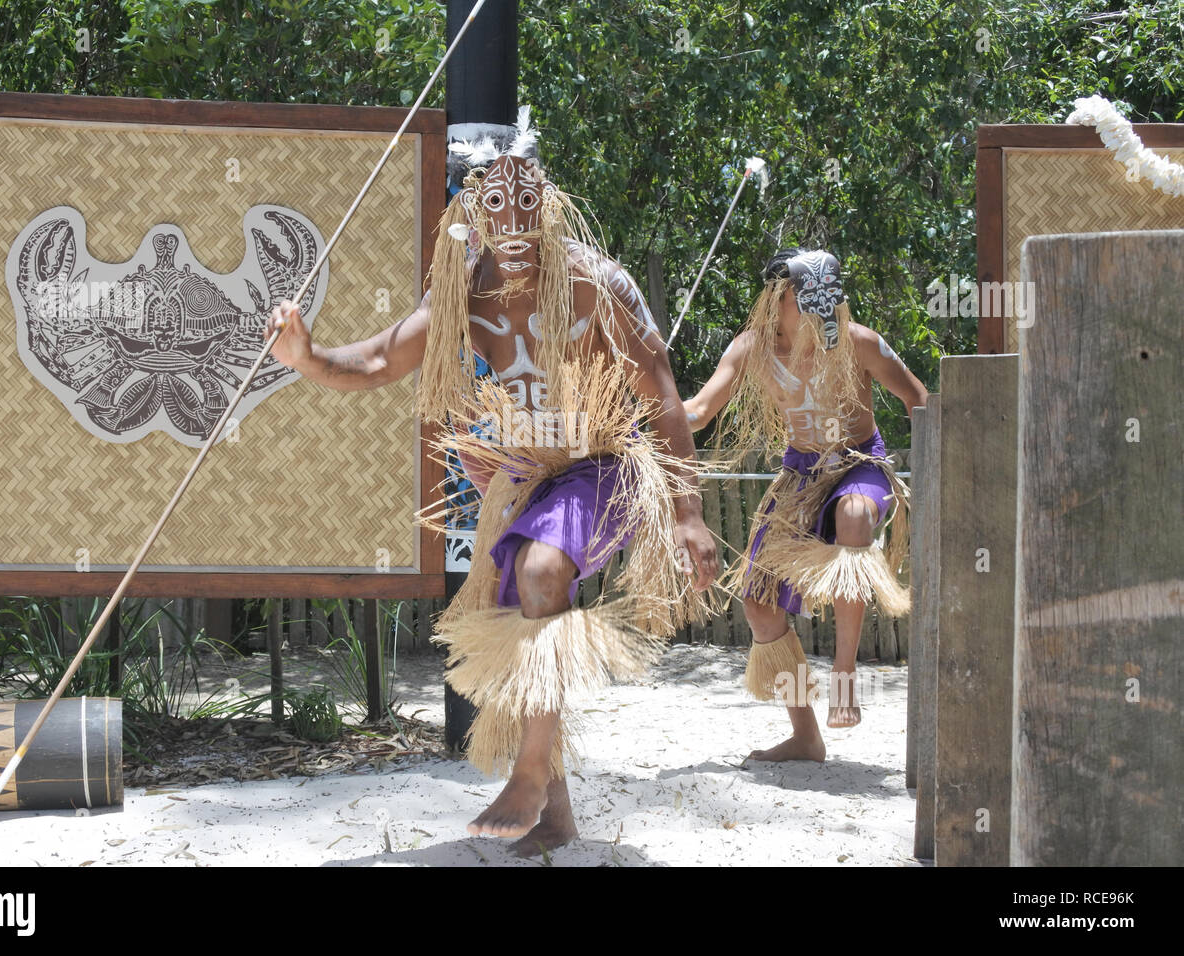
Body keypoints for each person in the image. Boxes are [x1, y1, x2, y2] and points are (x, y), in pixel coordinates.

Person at [266, 108, 717, 854]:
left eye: (526, 199)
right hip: (526, 480)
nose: (512, 217)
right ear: (469, 210)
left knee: (543, 573)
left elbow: (661, 393)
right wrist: (308, 357)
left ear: (548, 198)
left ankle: (532, 774)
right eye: (494, 202)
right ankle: (559, 817)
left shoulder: (595, 284)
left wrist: (688, 511)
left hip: (605, 466)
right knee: (526, 627)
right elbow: (378, 361)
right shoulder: (459, 293)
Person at [684, 248, 927, 762]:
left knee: (854, 517)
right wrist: (646, 407)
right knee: (758, 603)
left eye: (830, 295)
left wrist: (940, 470)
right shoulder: (751, 348)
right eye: (809, 297)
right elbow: (700, 412)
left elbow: (920, 400)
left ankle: (844, 674)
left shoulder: (859, 343)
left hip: (860, 464)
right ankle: (806, 736)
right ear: (780, 298)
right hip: (800, 474)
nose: (825, 306)